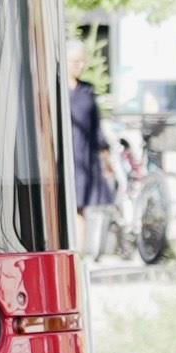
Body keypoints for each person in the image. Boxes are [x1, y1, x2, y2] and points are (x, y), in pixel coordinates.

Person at [66, 62, 115, 258]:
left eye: (82, 61)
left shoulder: (87, 90)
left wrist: (106, 158)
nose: (80, 65)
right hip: (62, 155)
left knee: (80, 206)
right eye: (75, 61)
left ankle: (79, 254)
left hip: (83, 154)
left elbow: (96, 127)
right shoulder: (54, 87)